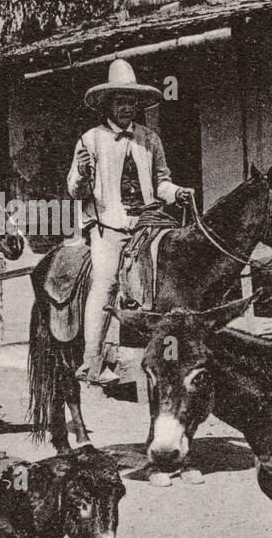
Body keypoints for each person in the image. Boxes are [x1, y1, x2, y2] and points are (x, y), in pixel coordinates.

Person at [68, 58, 196, 385]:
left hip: (149, 222)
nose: (126, 107)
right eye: (120, 101)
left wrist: (177, 192)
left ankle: (168, 359)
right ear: (108, 104)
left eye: (131, 102)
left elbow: (162, 182)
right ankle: (93, 362)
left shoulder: (149, 139)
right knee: (107, 282)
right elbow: (75, 190)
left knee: (172, 276)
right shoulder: (90, 140)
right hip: (108, 226)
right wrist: (83, 172)